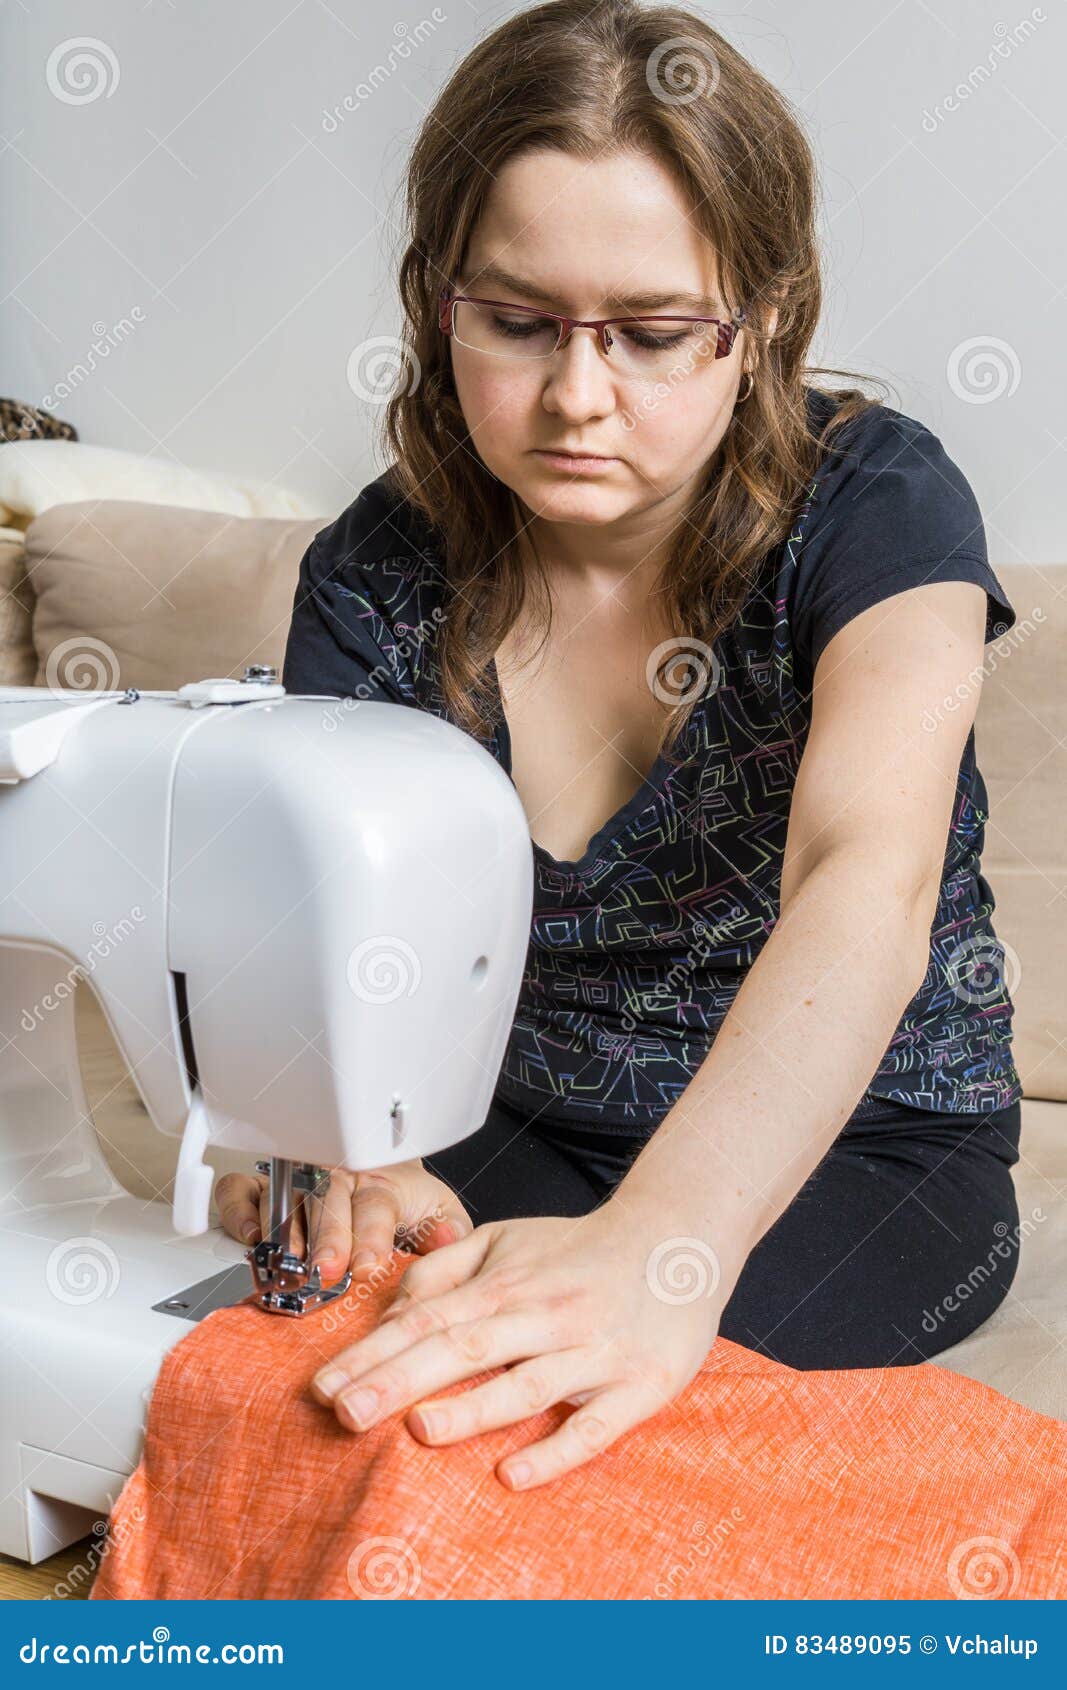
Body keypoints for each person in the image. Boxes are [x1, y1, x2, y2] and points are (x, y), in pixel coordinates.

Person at [215, 0, 1024, 1491]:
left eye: (654, 335)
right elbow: (320, 936)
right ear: (437, 300)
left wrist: (666, 1247)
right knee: (309, 1395)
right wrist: (327, 1139)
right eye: (518, 322)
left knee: (577, 1450)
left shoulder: (877, 507)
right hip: (507, 1123)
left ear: (762, 321)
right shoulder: (374, 573)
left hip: (866, 1151)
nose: (578, 396)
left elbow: (871, 880)